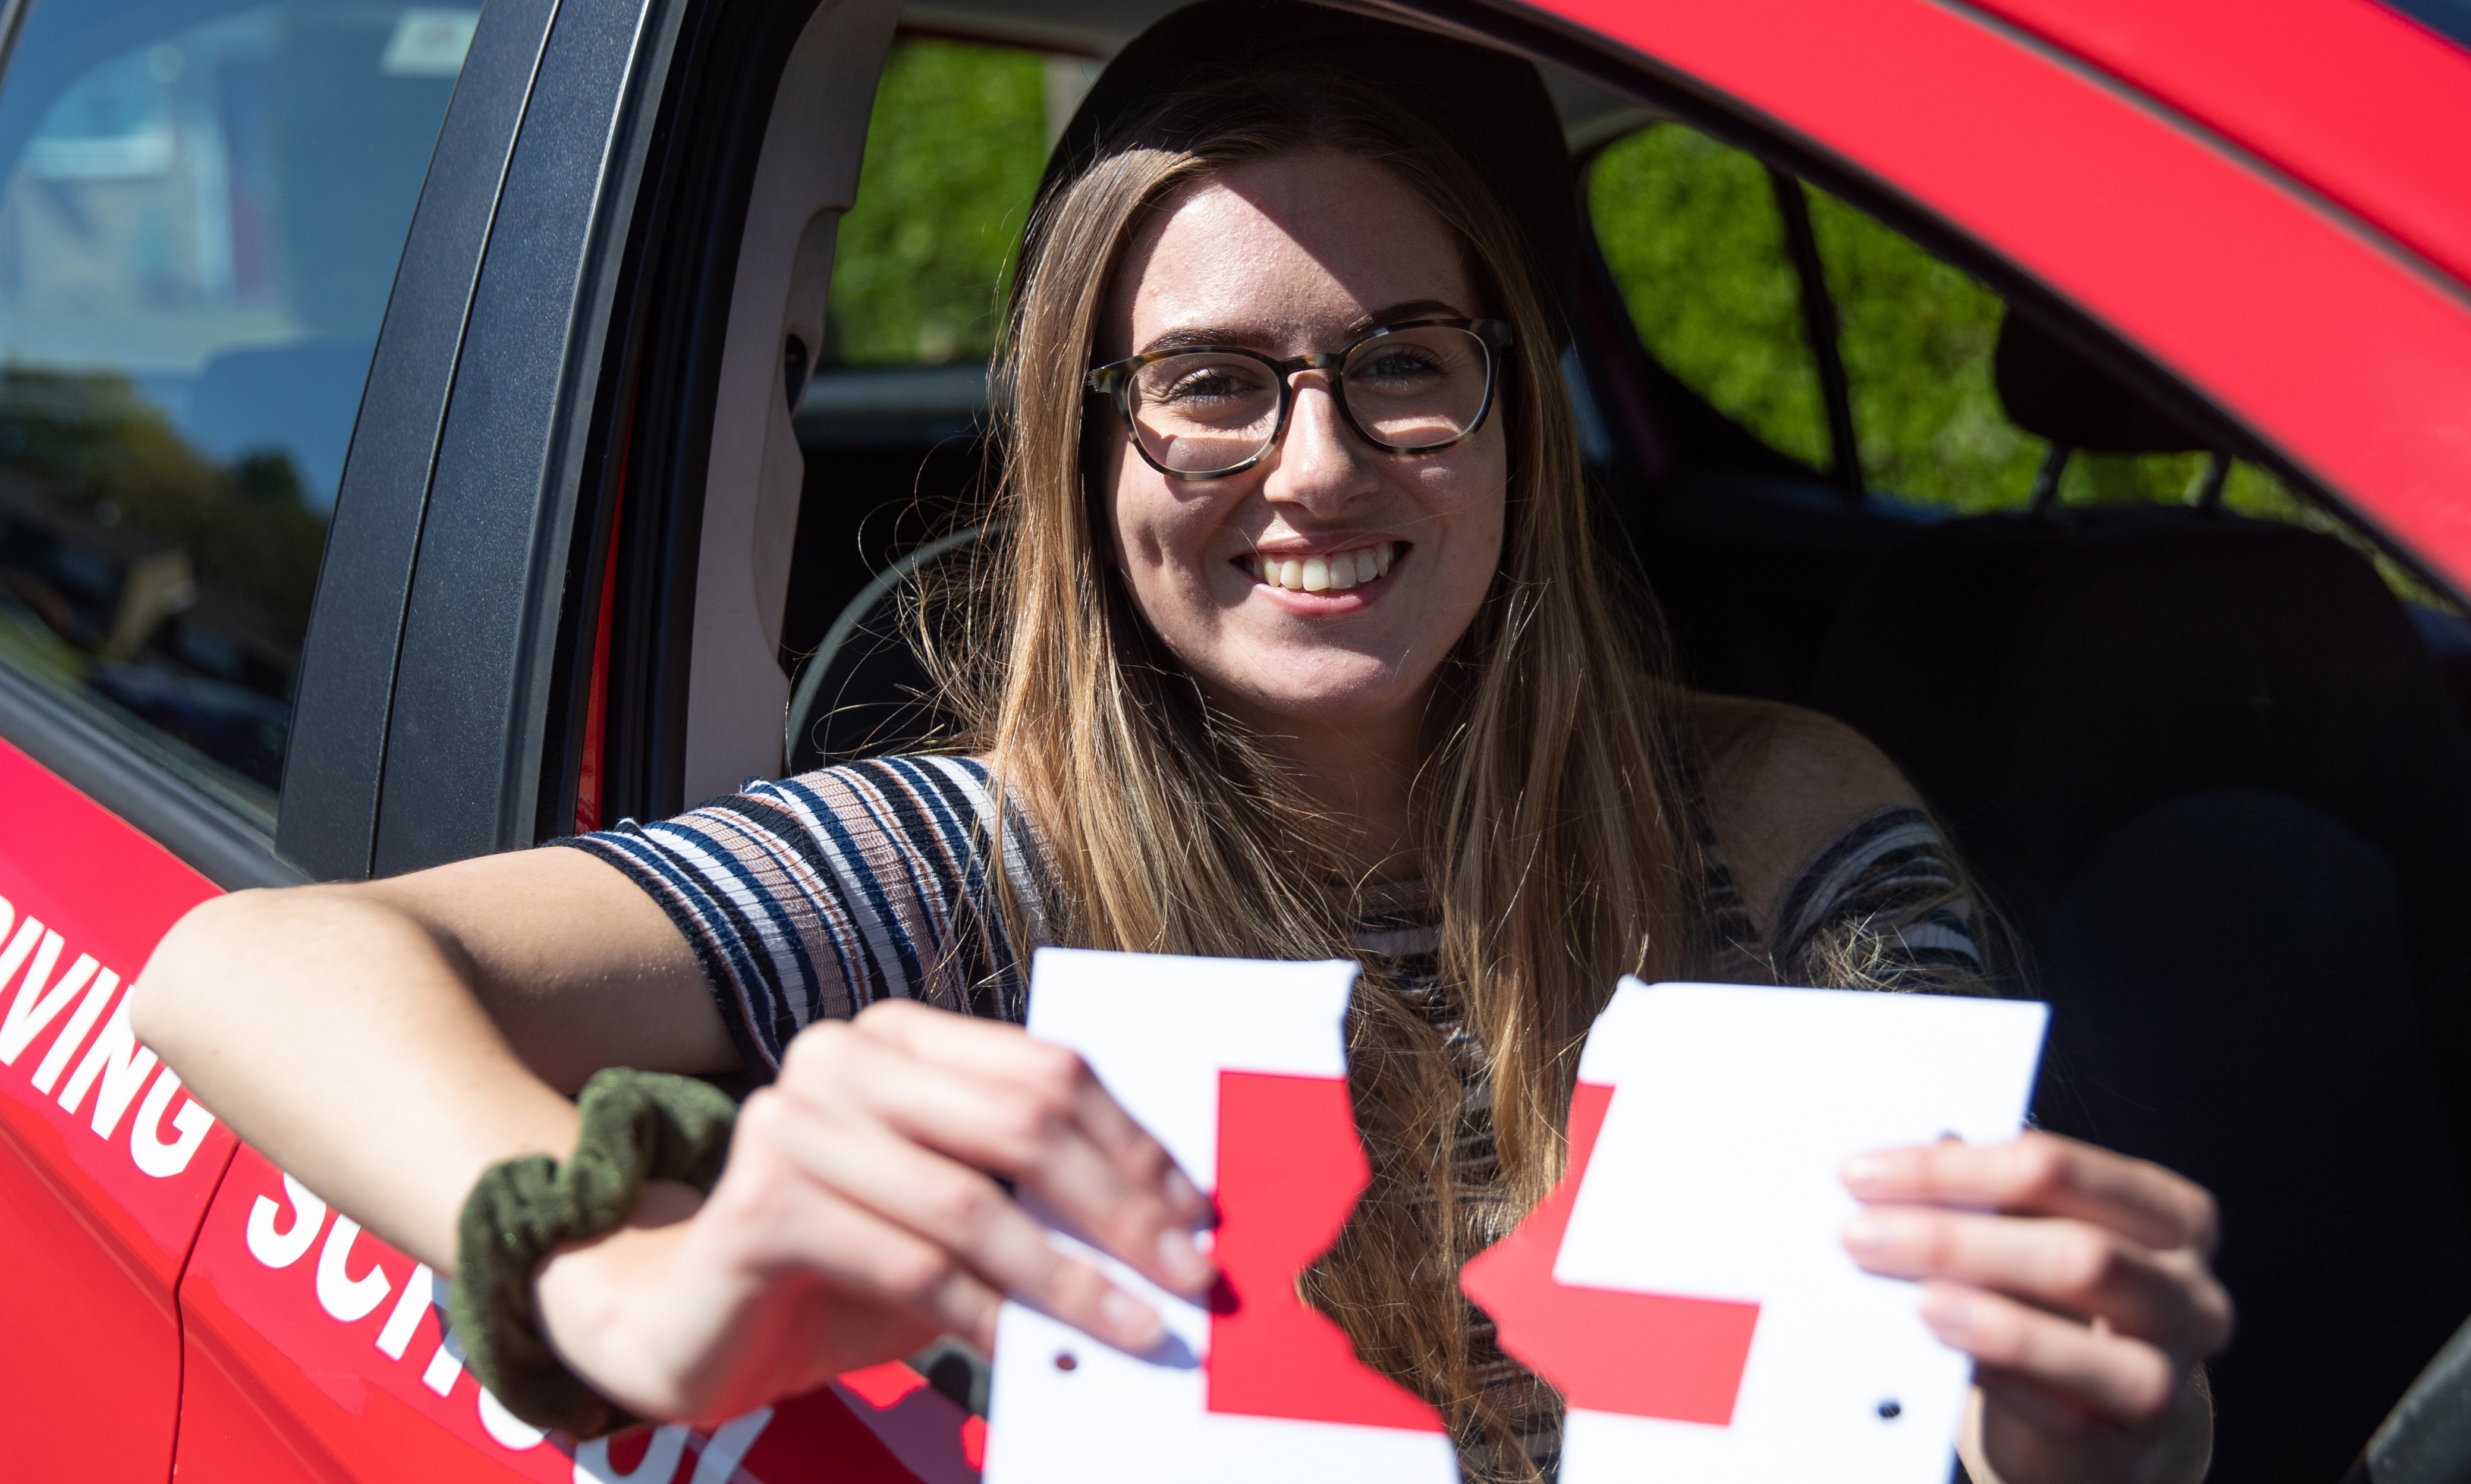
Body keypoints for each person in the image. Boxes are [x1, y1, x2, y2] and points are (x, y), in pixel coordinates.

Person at [131, 6, 2230, 1481]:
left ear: (1516, 414)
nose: (1318, 467)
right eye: (1212, 384)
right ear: (1087, 449)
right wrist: (617, 1277)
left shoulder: (1777, 822)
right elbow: (242, 967)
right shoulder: (971, 868)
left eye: (1406, 362)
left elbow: (1965, 1360)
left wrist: (2073, 1426)